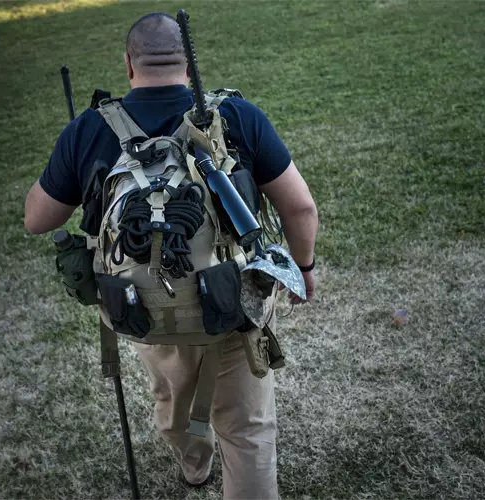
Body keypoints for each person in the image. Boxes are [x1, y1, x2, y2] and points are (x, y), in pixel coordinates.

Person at [23, 11, 318, 500]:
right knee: (246, 431)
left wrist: (76, 156)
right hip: (235, 302)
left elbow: (37, 219)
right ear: (188, 62)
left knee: (173, 397)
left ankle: (193, 462)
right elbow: (300, 206)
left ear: (128, 64)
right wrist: (303, 269)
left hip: (142, 306)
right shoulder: (237, 117)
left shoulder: (90, 129)